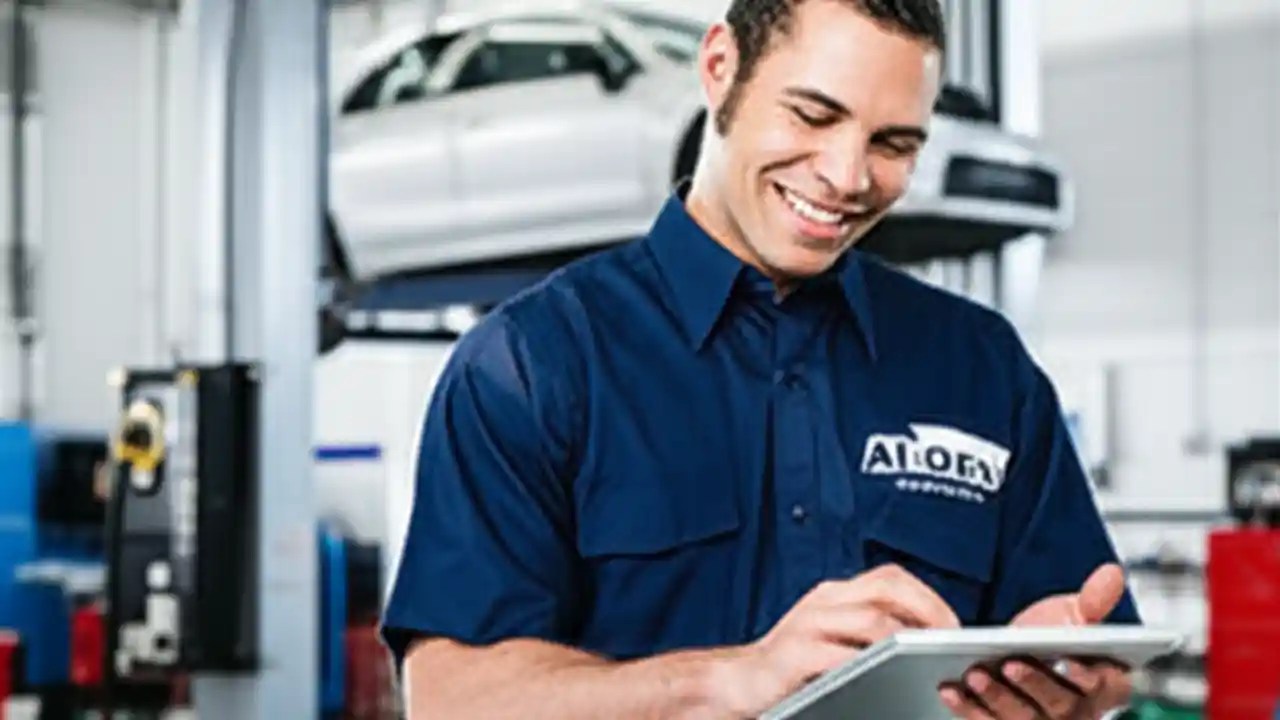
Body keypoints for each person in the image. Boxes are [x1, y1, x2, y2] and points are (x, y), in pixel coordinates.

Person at [381, 0, 1142, 717]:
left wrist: (1070, 686)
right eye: (812, 114)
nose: (847, 177)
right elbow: (454, 699)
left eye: (893, 144)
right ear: (720, 67)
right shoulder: (535, 363)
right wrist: (733, 678)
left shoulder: (981, 366)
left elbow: (1085, 663)